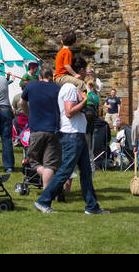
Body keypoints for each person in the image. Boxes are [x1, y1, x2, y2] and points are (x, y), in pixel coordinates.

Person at [35, 67, 105, 215]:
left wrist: (82, 100)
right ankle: (43, 201)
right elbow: (69, 112)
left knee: (86, 172)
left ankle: (92, 206)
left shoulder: (72, 89)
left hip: (77, 134)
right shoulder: (69, 88)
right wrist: (85, 101)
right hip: (72, 135)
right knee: (65, 171)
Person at [22, 65, 63, 195]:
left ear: (40, 76)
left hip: (36, 129)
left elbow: (22, 103)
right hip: (53, 129)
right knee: (50, 163)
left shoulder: (31, 86)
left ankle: (46, 190)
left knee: (32, 159)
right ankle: (47, 192)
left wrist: (29, 115)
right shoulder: (58, 89)